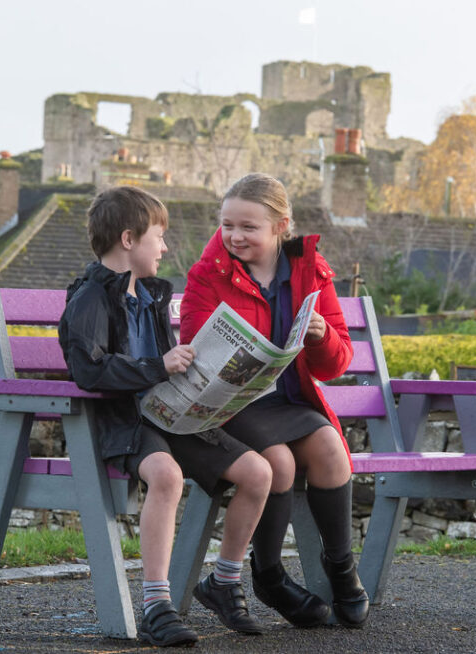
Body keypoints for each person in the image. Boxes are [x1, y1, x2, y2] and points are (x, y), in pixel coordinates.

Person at [58, 186, 273, 647]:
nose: (165, 247)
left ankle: (224, 580)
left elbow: (164, 366)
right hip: (124, 425)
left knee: (258, 472)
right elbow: (88, 369)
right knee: (167, 476)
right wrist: (159, 365)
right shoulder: (91, 298)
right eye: (160, 236)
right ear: (130, 239)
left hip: (170, 415)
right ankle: (157, 604)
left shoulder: (151, 296)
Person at [180, 173, 369, 628]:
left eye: (248, 227)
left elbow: (335, 364)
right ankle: (268, 574)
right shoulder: (208, 274)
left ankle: (341, 568)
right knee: (279, 464)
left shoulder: (310, 271)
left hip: (287, 401)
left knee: (330, 449)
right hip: (234, 406)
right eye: (227, 225)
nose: (235, 236)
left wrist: (321, 337)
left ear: (281, 225)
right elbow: (195, 350)